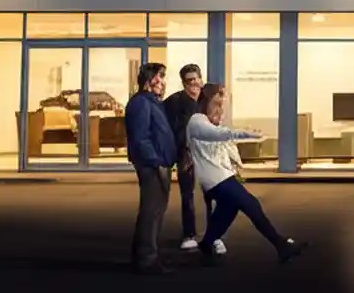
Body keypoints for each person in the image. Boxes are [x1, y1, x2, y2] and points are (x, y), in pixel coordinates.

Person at [186, 82, 308, 266]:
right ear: (208, 101)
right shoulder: (197, 121)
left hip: (220, 177)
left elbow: (221, 143)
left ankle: (206, 244)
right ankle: (281, 245)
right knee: (250, 204)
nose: (220, 108)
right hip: (215, 179)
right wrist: (248, 134)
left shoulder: (206, 121)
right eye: (217, 103)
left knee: (228, 209)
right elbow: (220, 135)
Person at [164, 63, 224, 254]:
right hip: (187, 154)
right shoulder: (174, 102)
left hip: (208, 154)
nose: (194, 83)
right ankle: (189, 234)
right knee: (188, 195)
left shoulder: (208, 100)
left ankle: (214, 236)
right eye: (190, 80)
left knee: (213, 195)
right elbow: (169, 130)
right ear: (183, 83)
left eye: (197, 78)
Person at [125, 62, 179, 275]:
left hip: (159, 163)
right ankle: (147, 259)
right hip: (151, 166)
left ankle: (146, 256)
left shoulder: (153, 102)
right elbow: (140, 137)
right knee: (151, 212)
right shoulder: (141, 103)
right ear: (150, 80)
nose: (163, 83)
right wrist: (156, 162)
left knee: (155, 211)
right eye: (160, 77)